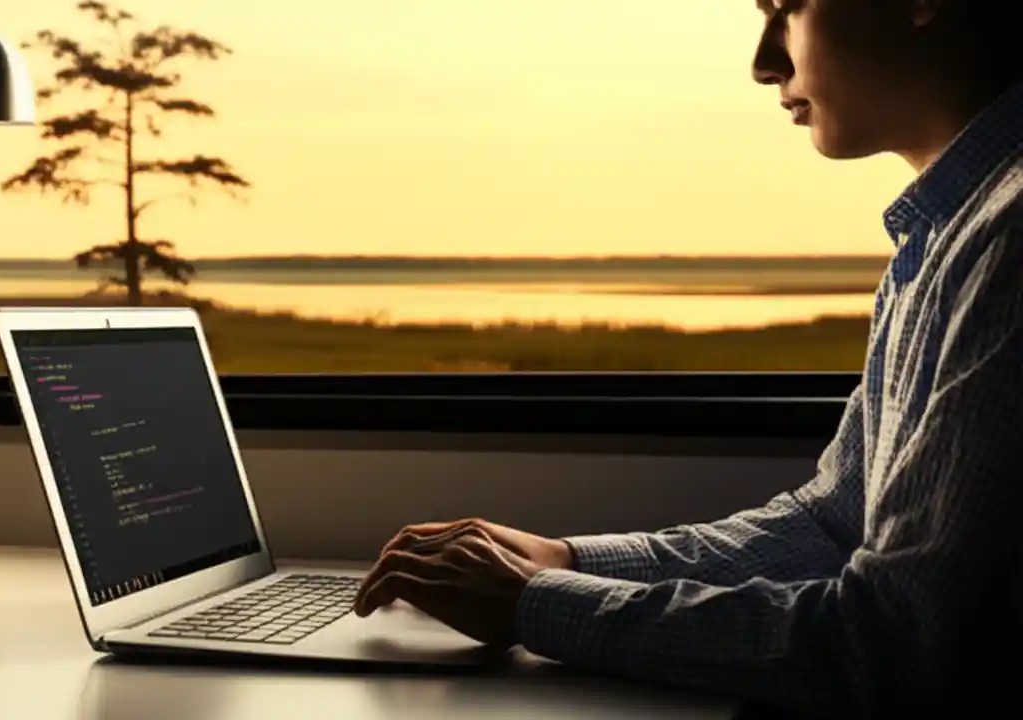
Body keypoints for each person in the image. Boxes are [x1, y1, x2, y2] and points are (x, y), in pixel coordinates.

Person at [351, 1, 1023, 717]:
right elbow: (830, 525)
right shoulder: (944, 235)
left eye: (787, 8)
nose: (766, 61)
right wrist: (567, 562)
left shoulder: (1009, 245)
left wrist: (533, 606)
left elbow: (892, 646)